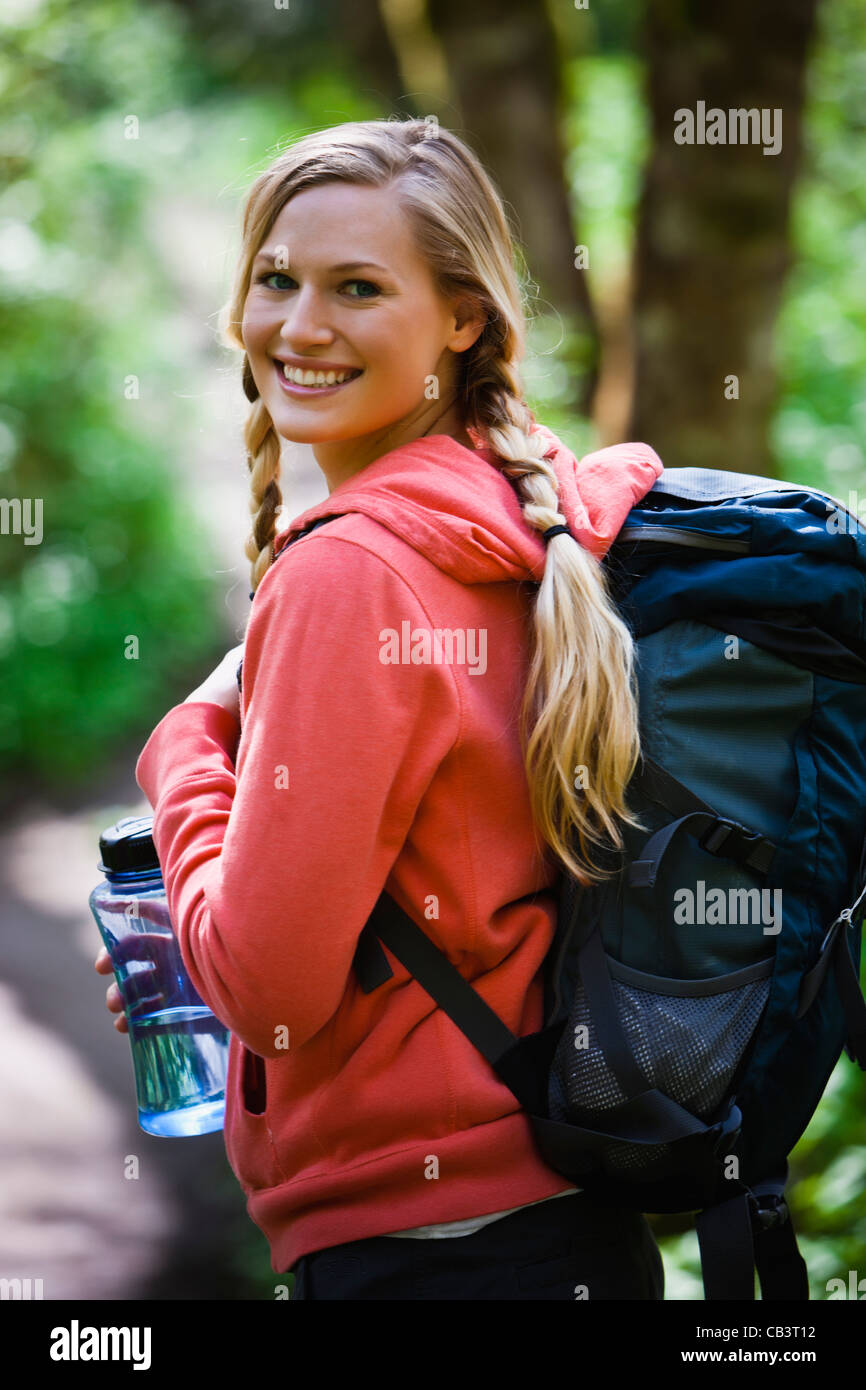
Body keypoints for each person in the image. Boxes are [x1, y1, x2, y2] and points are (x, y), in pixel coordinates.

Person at [95, 117, 665, 1300]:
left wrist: (185, 752)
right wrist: (210, 930)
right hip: (564, 1220)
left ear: (462, 318)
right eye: (275, 280)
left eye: (355, 287)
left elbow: (272, 996)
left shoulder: (356, 573)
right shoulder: (529, 513)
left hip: (430, 1254)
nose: (299, 327)